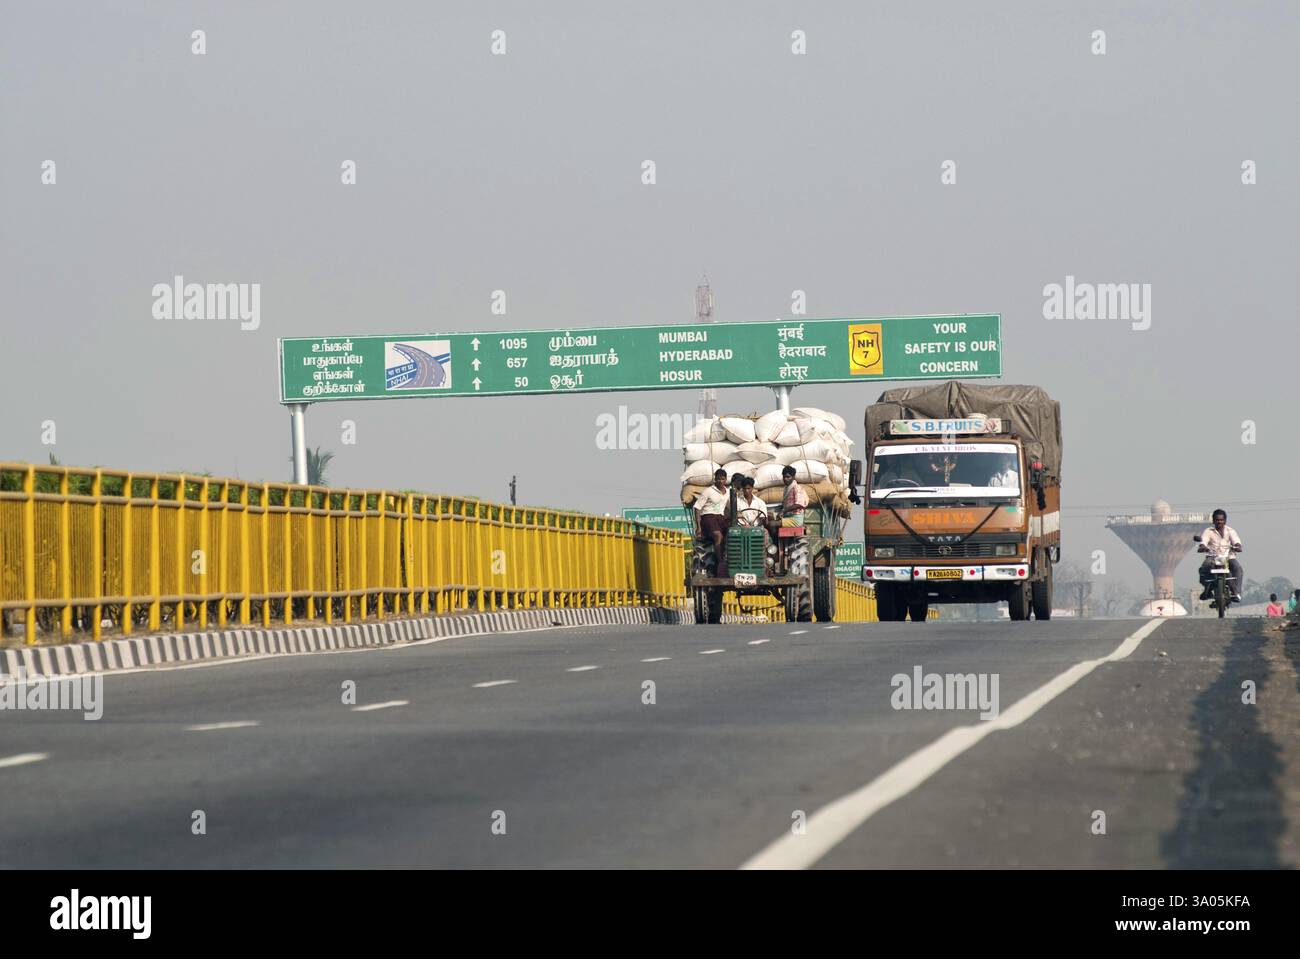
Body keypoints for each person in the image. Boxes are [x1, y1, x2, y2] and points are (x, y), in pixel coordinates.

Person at [1197, 508, 1243, 602]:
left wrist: (1237, 546)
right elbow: (1203, 541)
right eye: (1217, 520)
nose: (1219, 522)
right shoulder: (1208, 531)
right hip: (1213, 557)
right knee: (1204, 568)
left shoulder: (1230, 531)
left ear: (1225, 521)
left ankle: (1236, 593)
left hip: (1228, 557)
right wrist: (1202, 546)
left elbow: (1236, 541)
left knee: (1238, 568)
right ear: (1213, 520)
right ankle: (1207, 589)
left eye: (1221, 520)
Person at [694, 468, 732, 576]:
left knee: (733, 533)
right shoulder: (709, 491)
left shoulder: (728, 492)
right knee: (718, 536)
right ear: (715, 479)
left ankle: (730, 558)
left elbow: (731, 507)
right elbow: (697, 507)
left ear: (725, 480)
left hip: (721, 518)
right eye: (718, 479)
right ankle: (721, 562)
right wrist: (698, 526)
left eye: (723, 479)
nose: (720, 481)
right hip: (708, 517)